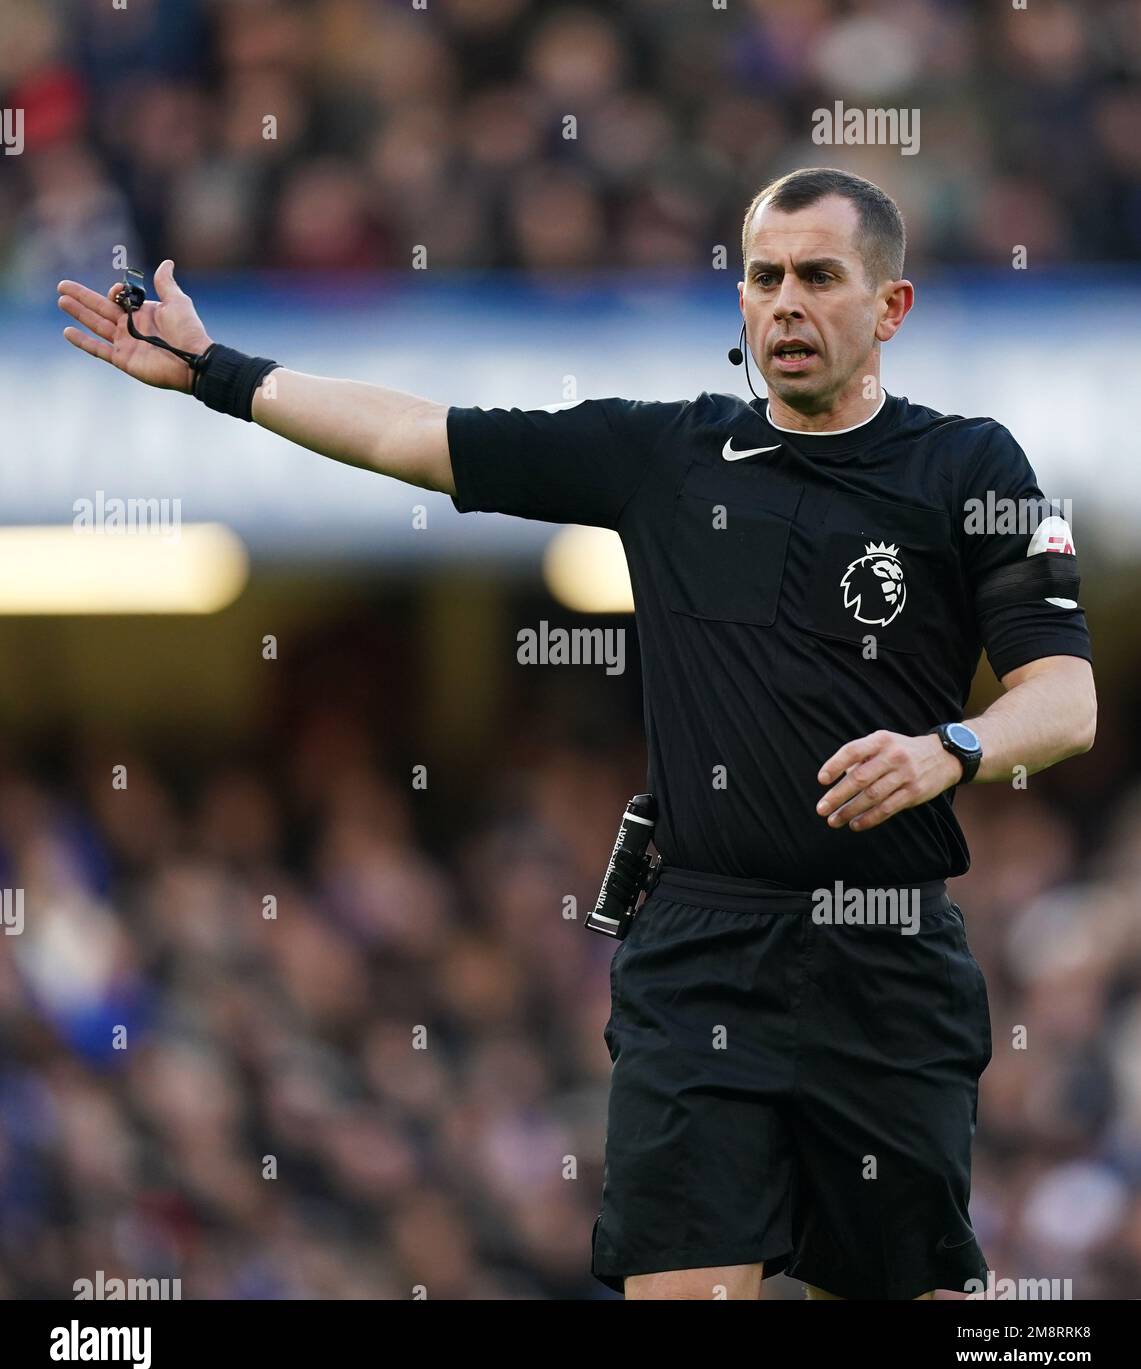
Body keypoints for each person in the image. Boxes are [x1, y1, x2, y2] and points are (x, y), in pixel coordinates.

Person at [57, 167, 1096, 1301]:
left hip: (886, 963)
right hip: (700, 950)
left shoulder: (970, 468)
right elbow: (416, 435)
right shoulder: (667, 457)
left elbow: (1063, 700)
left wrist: (947, 746)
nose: (785, 303)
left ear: (888, 308)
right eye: (763, 278)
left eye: (818, 277)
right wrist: (217, 373)